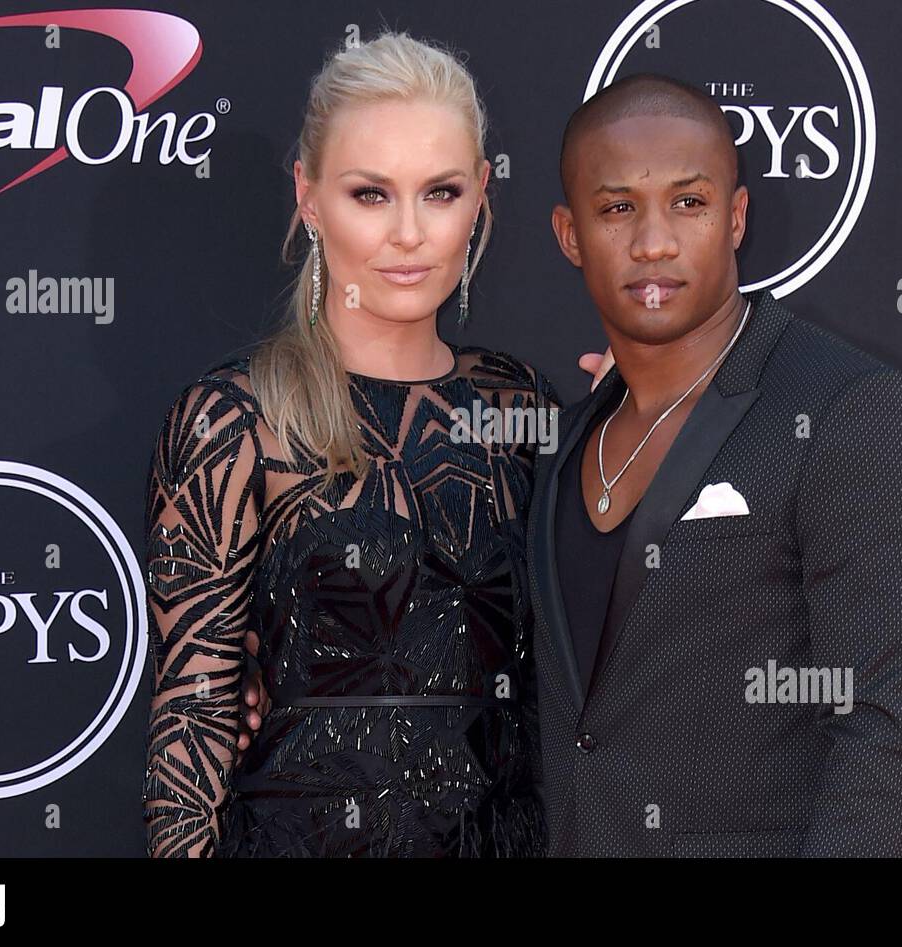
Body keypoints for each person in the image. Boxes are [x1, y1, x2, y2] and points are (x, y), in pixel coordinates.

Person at [141, 31, 583, 857]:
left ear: (482, 195)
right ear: (308, 196)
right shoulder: (235, 418)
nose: (409, 233)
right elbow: (191, 729)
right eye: (370, 194)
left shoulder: (522, 408)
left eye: (441, 192)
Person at [529, 73, 902, 856]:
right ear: (569, 233)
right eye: (617, 207)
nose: (653, 241)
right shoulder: (566, 442)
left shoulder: (852, 411)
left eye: (688, 203)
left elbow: (888, 729)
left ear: (736, 217)